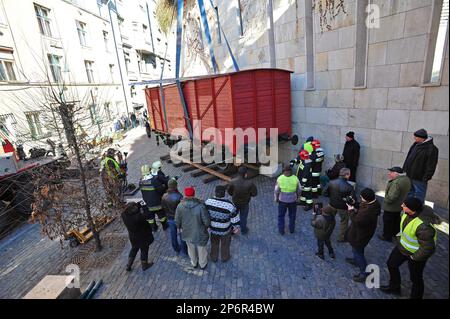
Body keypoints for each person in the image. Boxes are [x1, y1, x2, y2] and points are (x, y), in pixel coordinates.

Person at [381, 198, 440, 299]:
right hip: (402, 248)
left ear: (412, 209)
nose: (401, 206)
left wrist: (414, 257)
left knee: (416, 278)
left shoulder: (424, 227)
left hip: (415, 255)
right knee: (391, 264)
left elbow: (428, 248)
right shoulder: (405, 213)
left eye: (404, 205)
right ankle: (395, 288)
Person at [345, 188, 381, 283]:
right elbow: (362, 206)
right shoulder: (373, 203)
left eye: (361, 197)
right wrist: (355, 203)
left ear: (365, 198)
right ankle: (356, 260)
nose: (360, 198)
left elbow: (357, 221)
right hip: (364, 233)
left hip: (360, 234)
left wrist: (351, 210)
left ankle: (364, 273)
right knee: (358, 249)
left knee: (358, 251)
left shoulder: (367, 212)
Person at [176, 187, 210, 270]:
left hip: (187, 231)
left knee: (190, 248)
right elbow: (206, 221)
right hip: (200, 231)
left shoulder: (180, 206)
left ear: (185, 195)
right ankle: (202, 264)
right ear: (194, 194)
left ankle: (194, 262)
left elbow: (177, 220)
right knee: (201, 248)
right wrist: (206, 227)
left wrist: (179, 228)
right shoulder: (201, 206)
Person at [402, 129, 439, 203]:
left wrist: (426, 177)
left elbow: (431, 165)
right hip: (409, 175)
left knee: (419, 195)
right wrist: (404, 169)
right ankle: (408, 209)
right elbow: (408, 157)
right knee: (409, 193)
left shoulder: (432, 149)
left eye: (415, 137)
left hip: (420, 178)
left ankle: (418, 211)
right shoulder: (415, 144)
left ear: (421, 138)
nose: (414, 138)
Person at [205, 185, 240, 263]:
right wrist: (236, 227)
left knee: (214, 243)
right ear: (224, 193)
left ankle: (214, 257)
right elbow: (235, 219)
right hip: (225, 230)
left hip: (213, 228)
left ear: (215, 192)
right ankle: (225, 257)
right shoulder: (229, 205)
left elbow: (205, 214)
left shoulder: (208, 202)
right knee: (225, 244)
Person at [323, 168, 356, 242]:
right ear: (347, 175)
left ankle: (325, 232)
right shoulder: (349, 187)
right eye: (349, 174)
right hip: (343, 207)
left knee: (329, 219)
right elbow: (353, 200)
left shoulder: (331, 182)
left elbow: (324, 193)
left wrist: (332, 196)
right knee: (344, 222)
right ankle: (341, 238)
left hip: (332, 204)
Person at [380, 167, 411, 242]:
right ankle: (395, 234)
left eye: (391, 172)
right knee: (396, 220)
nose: (389, 174)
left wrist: (385, 200)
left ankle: (387, 236)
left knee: (388, 222)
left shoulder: (396, 183)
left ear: (396, 174)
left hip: (391, 207)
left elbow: (391, 198)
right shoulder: (406, 179)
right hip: (399, 206)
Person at [121, 202, 154, 271]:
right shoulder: (138, 217)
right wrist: (144, 206)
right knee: (144, 249)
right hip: (142, 236)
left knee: (134, 249)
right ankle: (144, 265)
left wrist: (138, 205)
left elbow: (133, 211)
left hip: (132, 236)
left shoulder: (124, 215)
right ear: (134, 208)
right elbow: (147, 215)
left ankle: (129, 265)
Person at [227, 166, 257, 235]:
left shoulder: (232, 181)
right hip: (245, 203)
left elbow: (229, 192)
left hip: (235, 202)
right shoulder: (250, 183)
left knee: (233, 216)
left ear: (238, 173)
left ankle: (233, 230)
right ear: (245, 174)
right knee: (243, 217)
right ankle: (243, 230)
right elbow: (254, 193)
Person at [139, 163, 169, 231]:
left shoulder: (141, 182)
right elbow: (160, 189)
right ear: (149, 170)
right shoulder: (154, 181)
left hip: (148, 204)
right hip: (157, 203)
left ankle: (154, 228)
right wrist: (164, 186)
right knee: (162, 216)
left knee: (151, 218)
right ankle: (165, 226)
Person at [161, 178, 187, 255]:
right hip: (179, 219)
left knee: (173, 234)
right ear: (175, 186)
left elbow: (163, 207)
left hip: (170, 218)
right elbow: (182, 209)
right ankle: (184, 250)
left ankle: (176, 248)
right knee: (182, 235)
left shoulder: (164, 196)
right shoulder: (179, 196)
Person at [274, 166, 301, 235]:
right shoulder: (295, 178)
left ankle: (281, 230)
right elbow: (299, 190)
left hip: (282, 200)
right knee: (292, 215)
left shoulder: (280, 178)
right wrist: (298, 198)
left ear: (284, 172)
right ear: (291, 171)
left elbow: (276, 190)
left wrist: (276, 198)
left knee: (281, 216)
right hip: (293, 200)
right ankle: (291, 229)